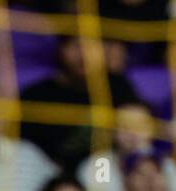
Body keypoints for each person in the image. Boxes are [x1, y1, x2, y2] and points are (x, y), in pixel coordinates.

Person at [19, 33, 140, 175]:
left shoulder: (117, 86)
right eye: (76, 45)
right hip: (52, 177)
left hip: (105, 171)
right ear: (61, 49)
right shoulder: (35, 95)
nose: (84, 54)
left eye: (92, 46)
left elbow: (140, 130)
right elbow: (25, 154)